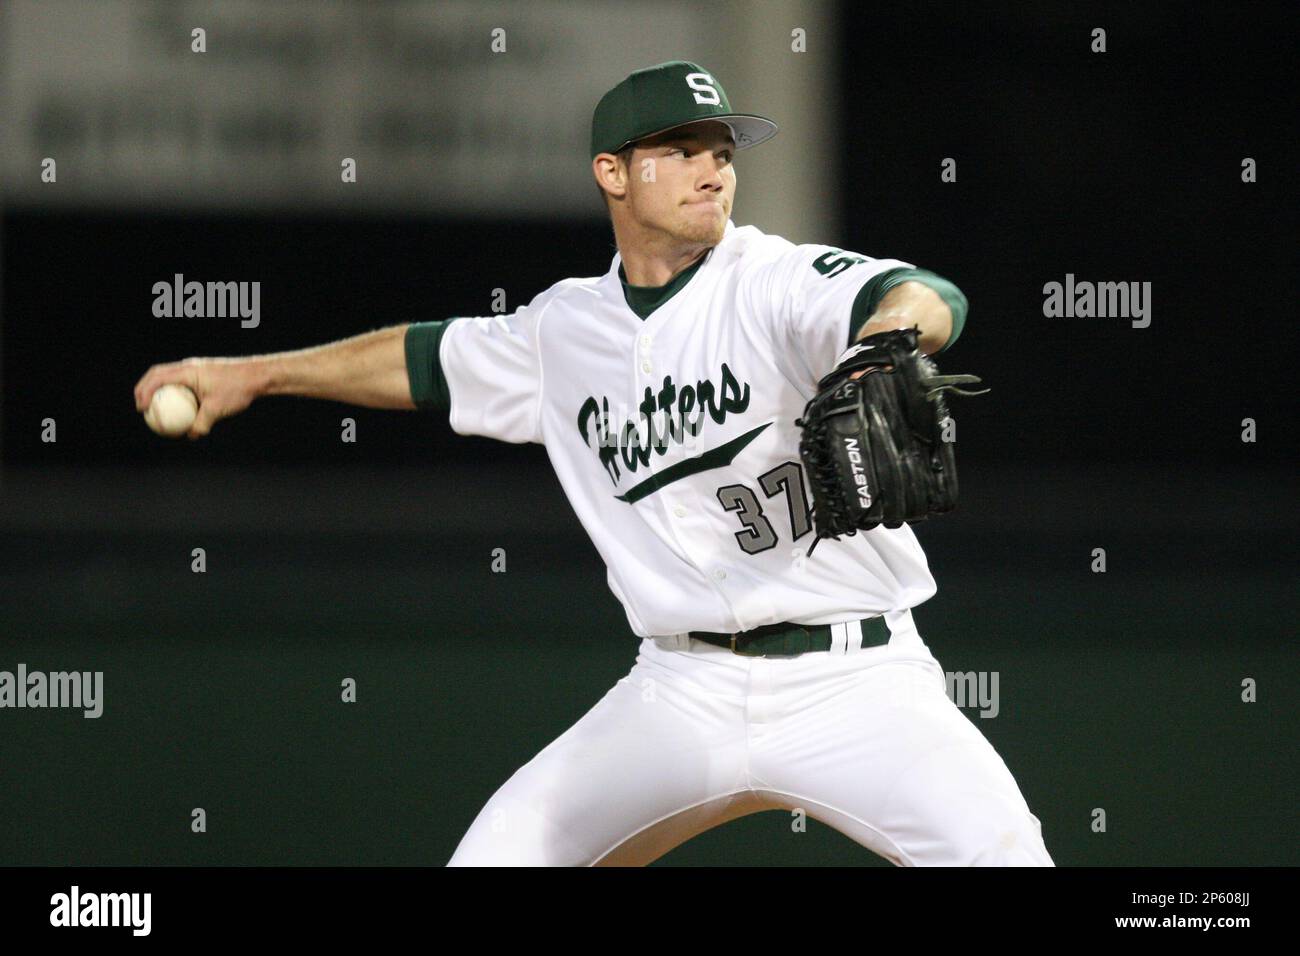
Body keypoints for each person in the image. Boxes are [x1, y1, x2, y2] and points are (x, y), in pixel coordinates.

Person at [134, 61, 1053, 866]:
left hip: (856, 678)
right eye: (682, 148)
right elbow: (424, 361)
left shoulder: (769, 283)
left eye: (723, 149)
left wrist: (883, 338)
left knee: (1005, 857)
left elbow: (925, 296)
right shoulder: (562, 328)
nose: (713, 167)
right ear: (611, 172)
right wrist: (253, 374)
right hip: (680, 688)